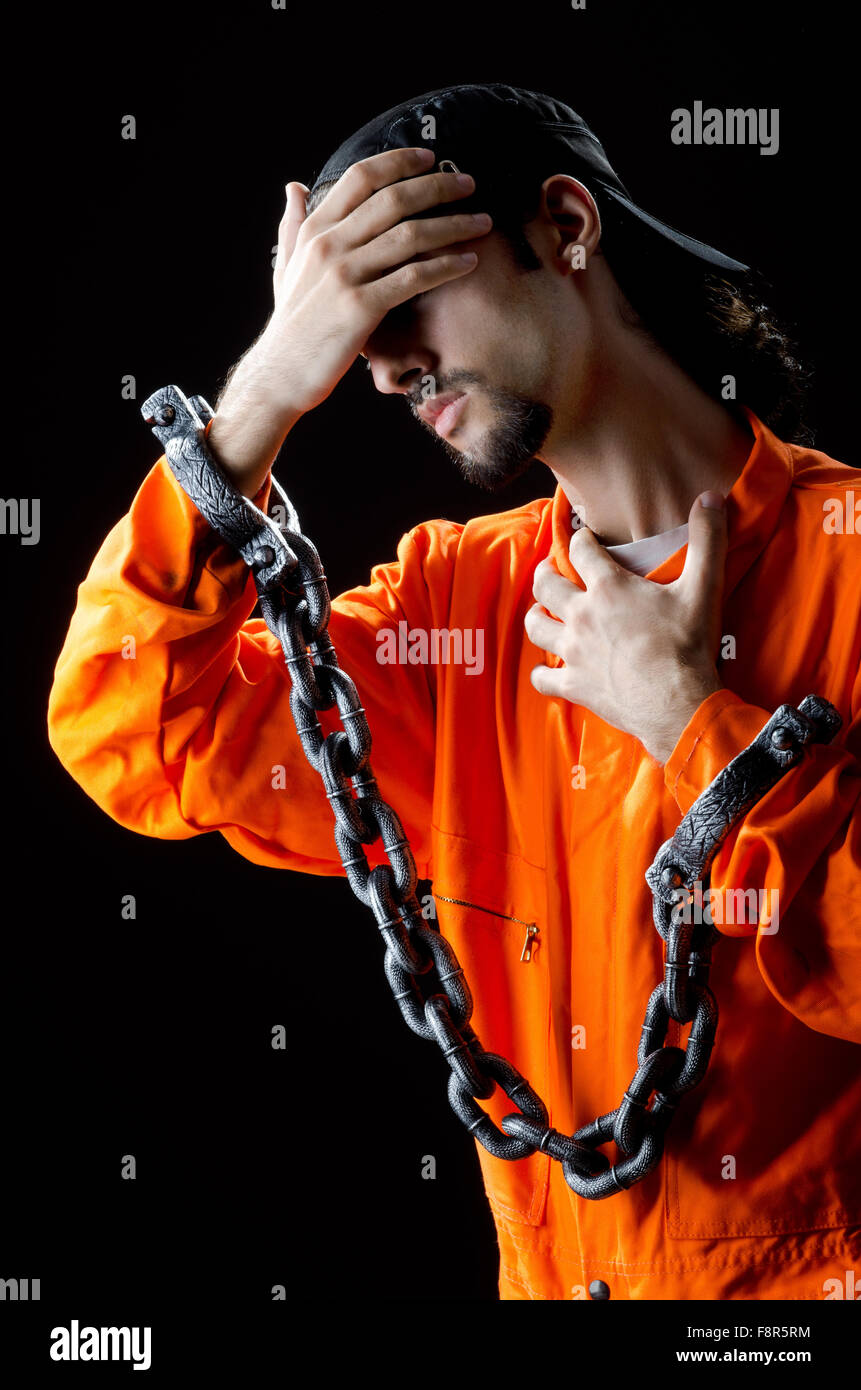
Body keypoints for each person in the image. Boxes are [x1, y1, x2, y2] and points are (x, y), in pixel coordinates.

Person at [48, 84, 860, 1301]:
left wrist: (698, 730)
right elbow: (136, 727)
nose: (381, 369)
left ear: (566, 225)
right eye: (346, 327)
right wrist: (265, 390)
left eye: (401, 287)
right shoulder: (456, 614)